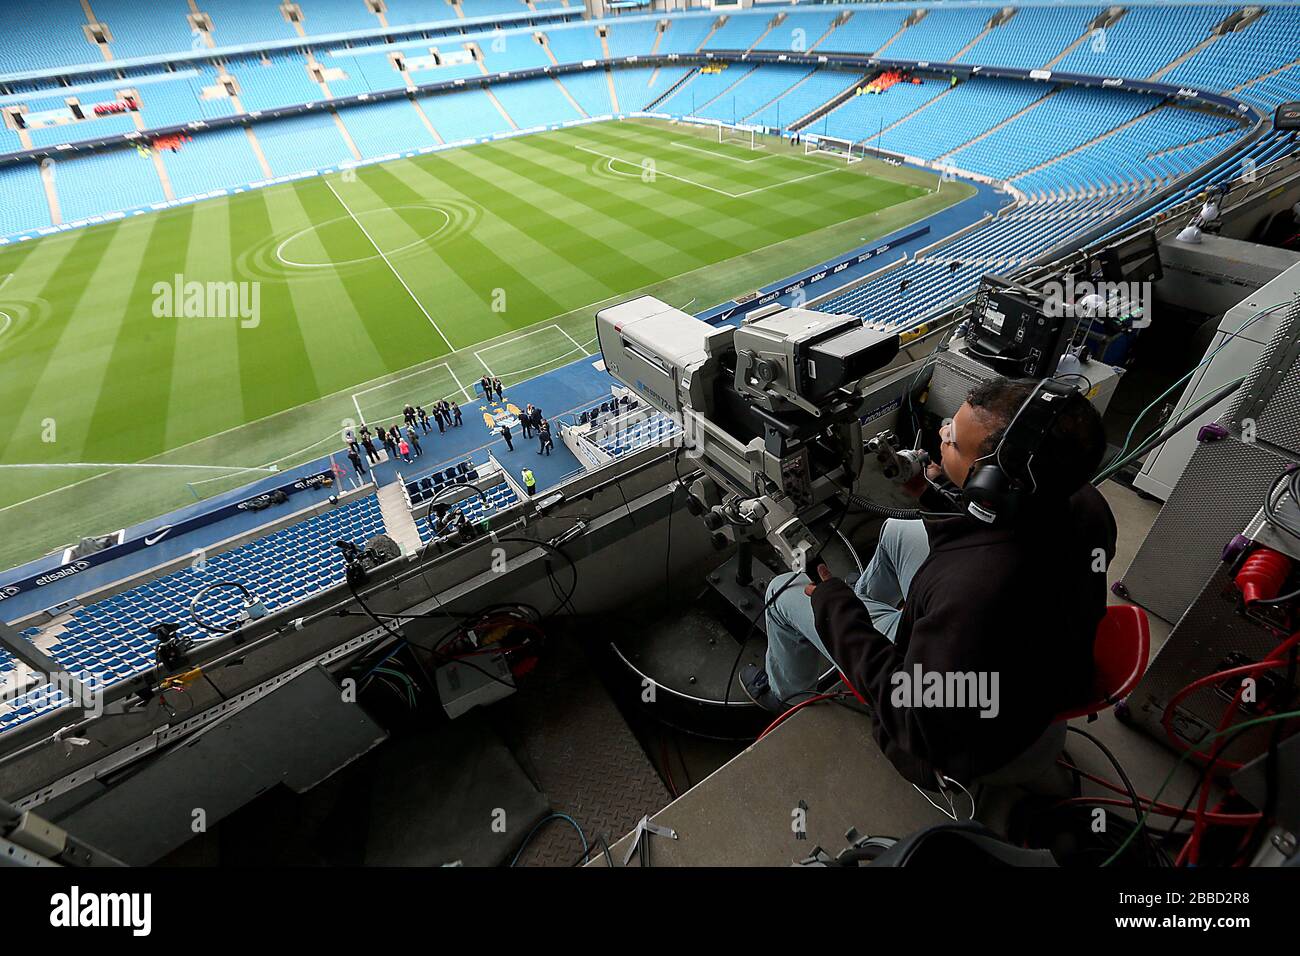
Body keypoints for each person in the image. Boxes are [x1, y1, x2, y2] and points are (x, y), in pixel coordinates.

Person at [741, 377, 1116, 788]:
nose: (940, 433)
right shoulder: (1082, 502)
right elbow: (996, 534)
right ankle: (866, 612)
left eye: (953, 440)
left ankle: (790, 696)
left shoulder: (973, 593)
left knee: (782, 592)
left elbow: (915, 717)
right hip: (1031, 673)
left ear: (991, 482)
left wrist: (837, 611)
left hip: (955, 745)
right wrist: (933, 493)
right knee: (897, 531)